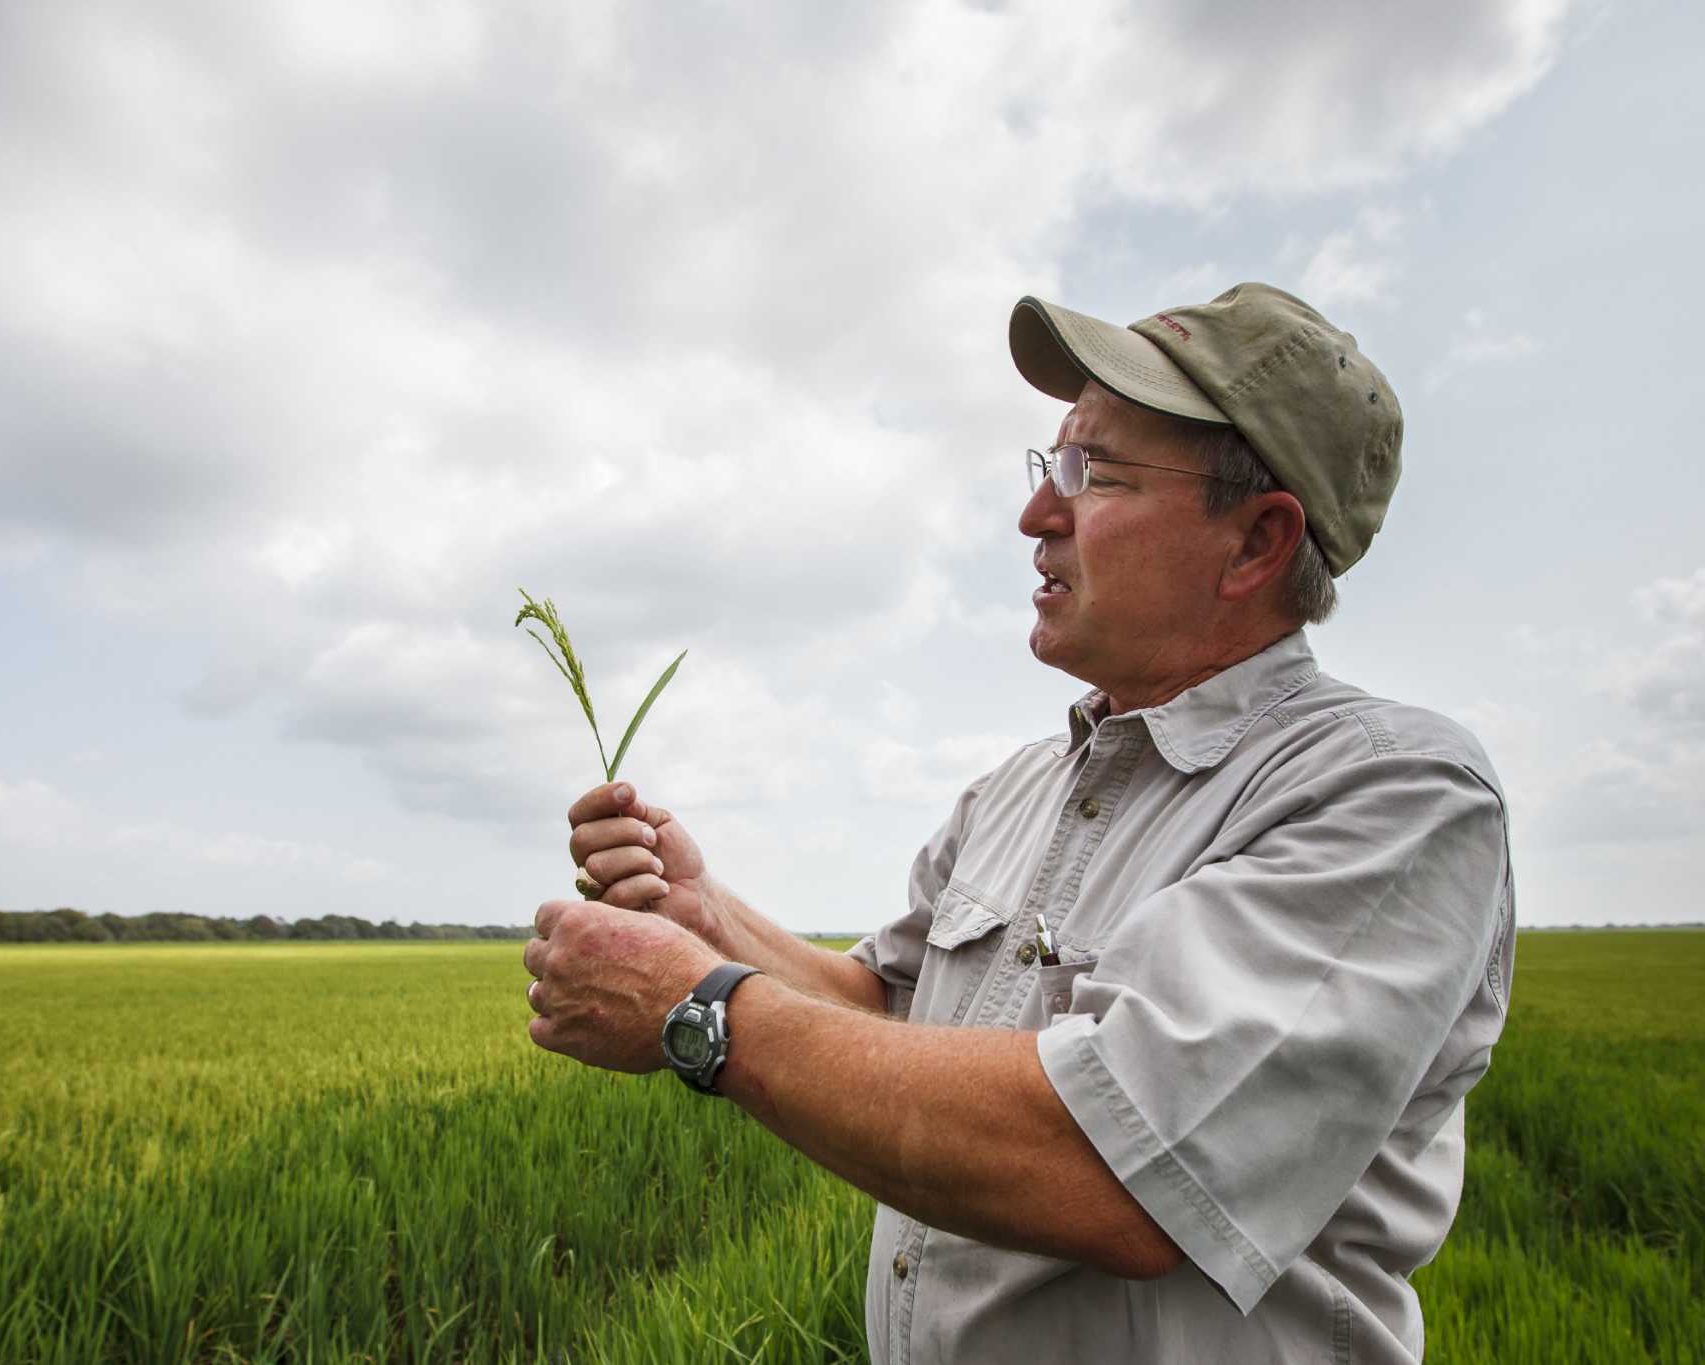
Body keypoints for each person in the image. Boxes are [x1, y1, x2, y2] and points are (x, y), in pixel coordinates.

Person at [520, 283, 1514, 1364]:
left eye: (1094, 474)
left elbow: (1119, 1171)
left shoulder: (1390, 795)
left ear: (1253, 544)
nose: (1036, 514)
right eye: (1049, 467)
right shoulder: (1015, 791)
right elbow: (883, 1013)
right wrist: (706, 913)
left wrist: (694, 1007)